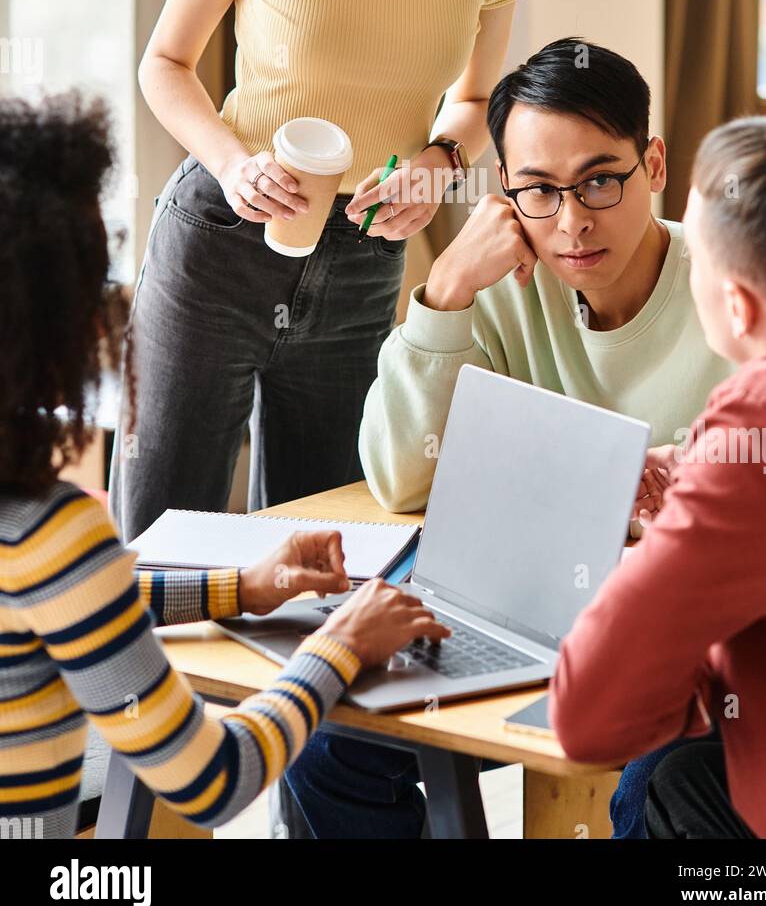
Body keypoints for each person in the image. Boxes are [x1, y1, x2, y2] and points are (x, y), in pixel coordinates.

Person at [108, 0, 530, 542]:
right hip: (225, 236)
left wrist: (440, 165)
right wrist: (234, 164)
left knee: (324, 539)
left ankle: (300, 681)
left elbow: (477, 99)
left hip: (369, 251)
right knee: (165, 528)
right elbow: (165, 65)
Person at [282, 38, 734, 838]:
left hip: (685, 638)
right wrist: (447, 290)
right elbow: (401, 479)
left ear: (655, 164)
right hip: (528, 612)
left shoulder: (735, 288)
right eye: (537, 191)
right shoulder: (501, 285)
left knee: (656, 791)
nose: (572, 222)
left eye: (601, 179)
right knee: (326, 742)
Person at [0, 92, 450, 838]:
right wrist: (337, 648)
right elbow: (213, 781)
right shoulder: (53, 531)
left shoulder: (44, 551)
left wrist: (240, 587)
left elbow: (64, 605)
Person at [549, 116, 766, 839]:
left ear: (737, 306)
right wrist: (701, 469)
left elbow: (590, 715)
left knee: (662, 777)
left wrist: (680, 561)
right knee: (681, 780)